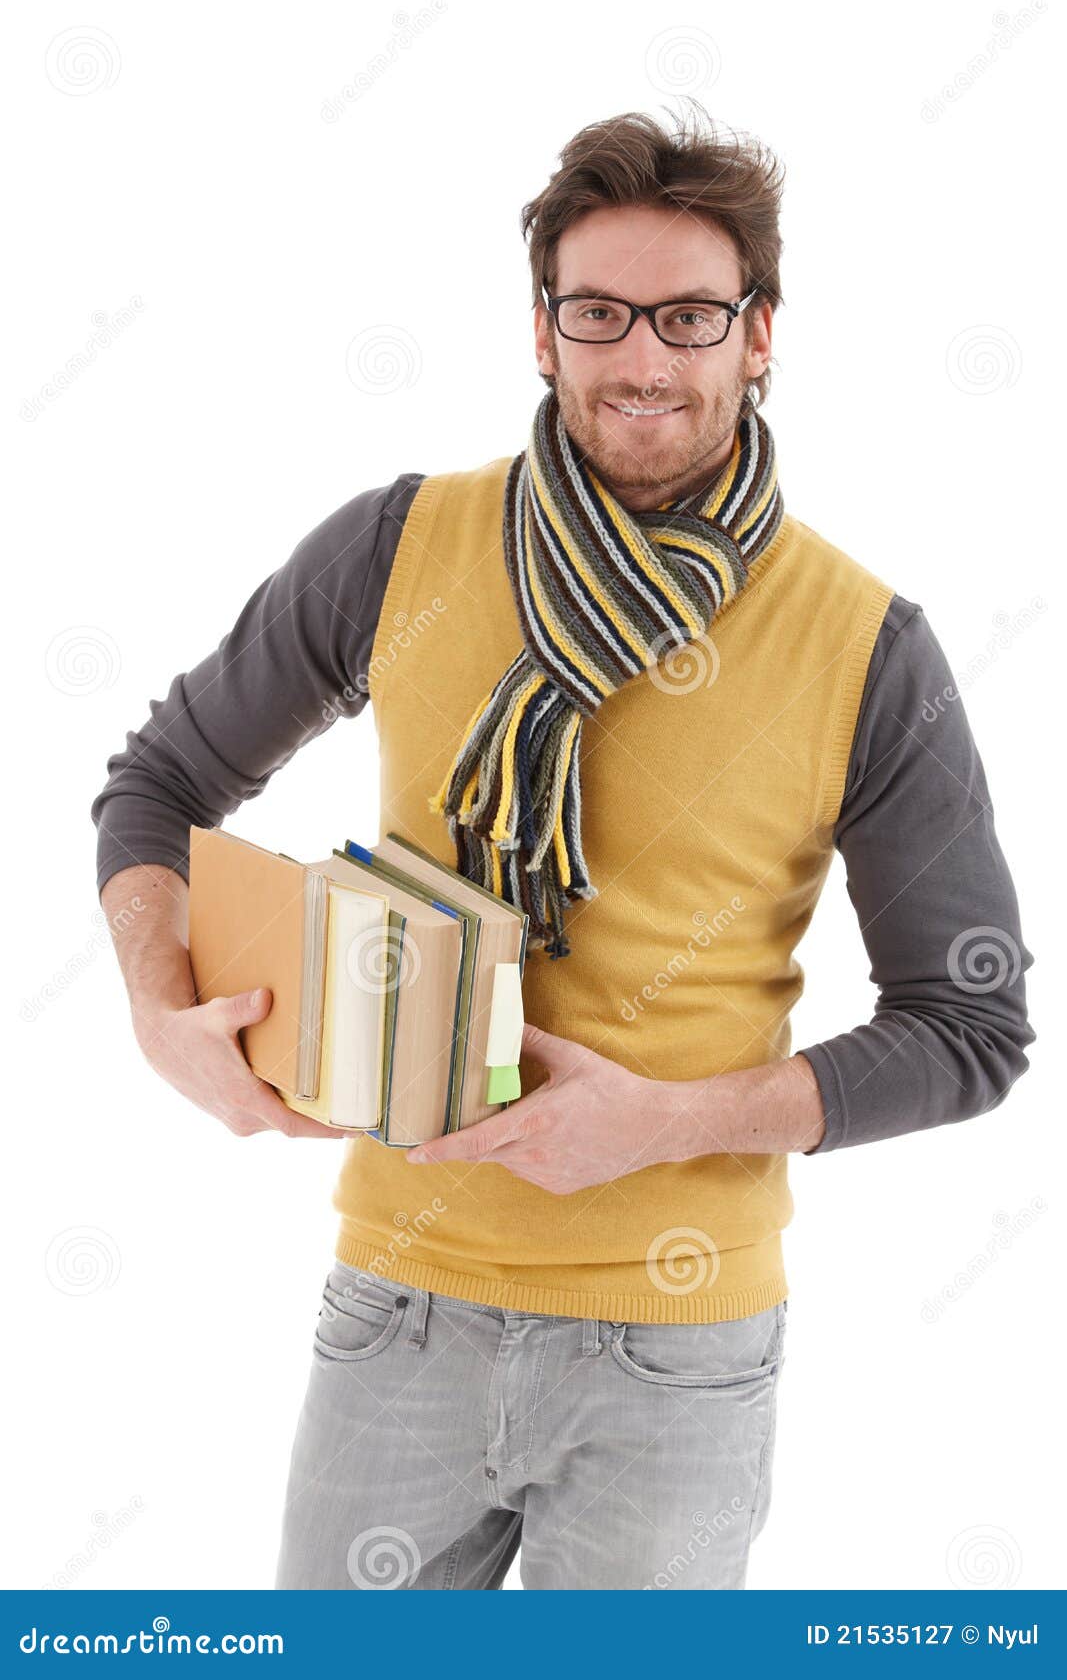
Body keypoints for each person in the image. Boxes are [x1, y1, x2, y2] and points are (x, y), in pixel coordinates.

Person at [92, 104, 1035, 1590]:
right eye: (599, 313)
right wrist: (159, 1008)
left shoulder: (866, 644)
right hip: (395, 1310)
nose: (644, 359)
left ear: (761, 332)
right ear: (543, 332)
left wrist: (664, 1121)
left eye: (689, 316)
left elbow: (970, 1029)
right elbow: (157, 785)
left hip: (678, 1352)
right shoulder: (398, 547)